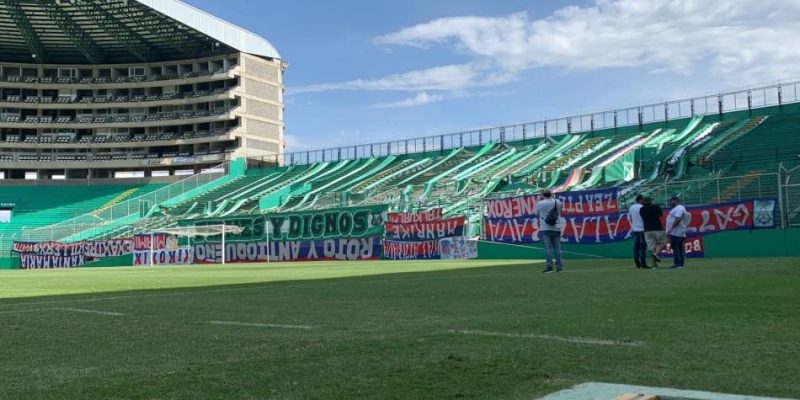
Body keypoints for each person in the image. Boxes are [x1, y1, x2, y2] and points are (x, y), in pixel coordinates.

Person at [536, 189, 564, 273]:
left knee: (547, 248)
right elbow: (560, 211)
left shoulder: (540, 203)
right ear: (551, 194)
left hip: (545, 228)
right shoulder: (558, 202)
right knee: (557, 248)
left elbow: (536, 213)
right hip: (557, 227)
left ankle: (549, 267)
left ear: (542, 195)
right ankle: (559, 268)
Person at [639, 196, 667, 268]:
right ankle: (656, 253)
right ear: (651, 200)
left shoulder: (641, 209)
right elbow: (660, 214)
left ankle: (654, 265)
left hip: (647, 230)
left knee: (652, 247)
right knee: (662, 243)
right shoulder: (656, 207)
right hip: (657, 228)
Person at [666, 196, 689, 269]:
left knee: (676, 248)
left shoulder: (679, 208)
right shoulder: (677, 208)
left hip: (677, 232)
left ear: (675, 201)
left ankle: (678, 263)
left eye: (671, 201)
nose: (670, 203)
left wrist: (671, 228)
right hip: (676, 231)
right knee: (678, 248)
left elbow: (678, 219)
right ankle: (680, 263)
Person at [628, 194, 649, 269]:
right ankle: (643, 263)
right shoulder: (642, 207)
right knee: (642, 248)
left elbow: (630, 218)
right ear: (640, 200)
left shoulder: (631, 207)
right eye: (643, 199)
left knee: (636, 248)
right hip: (642, 229)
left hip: (635, 229)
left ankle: (637, 263)